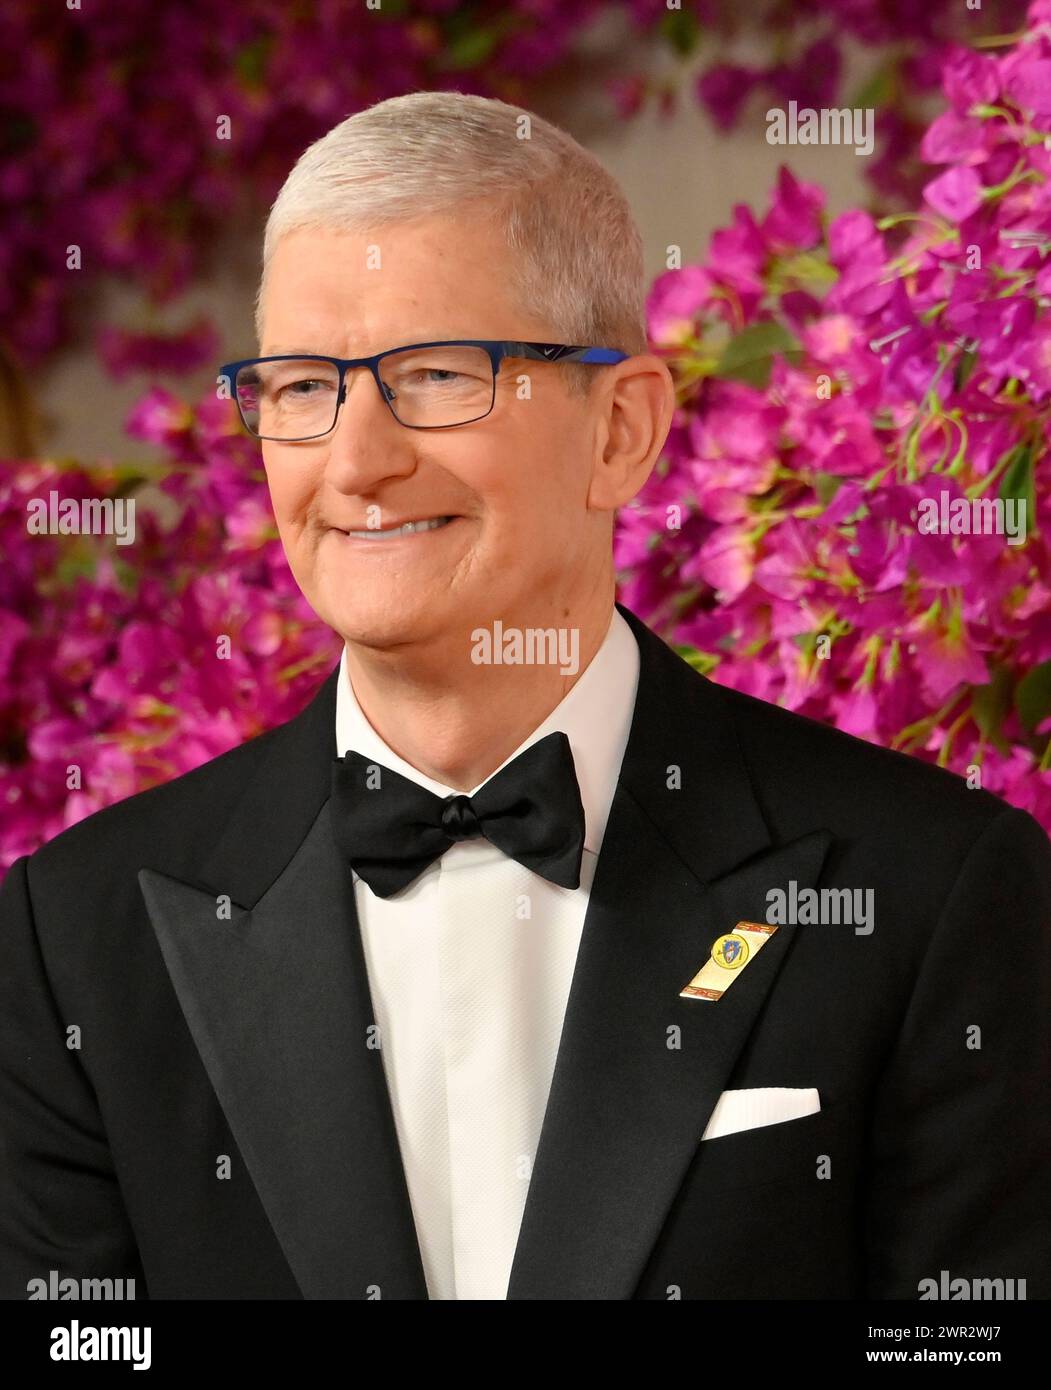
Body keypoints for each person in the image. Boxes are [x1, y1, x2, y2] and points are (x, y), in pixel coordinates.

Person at [1, 91, 1048, 1302]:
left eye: (437, 374)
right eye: (300, 388)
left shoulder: (930, 889)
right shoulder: (73, 937)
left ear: (621, 431)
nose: (353, 462)